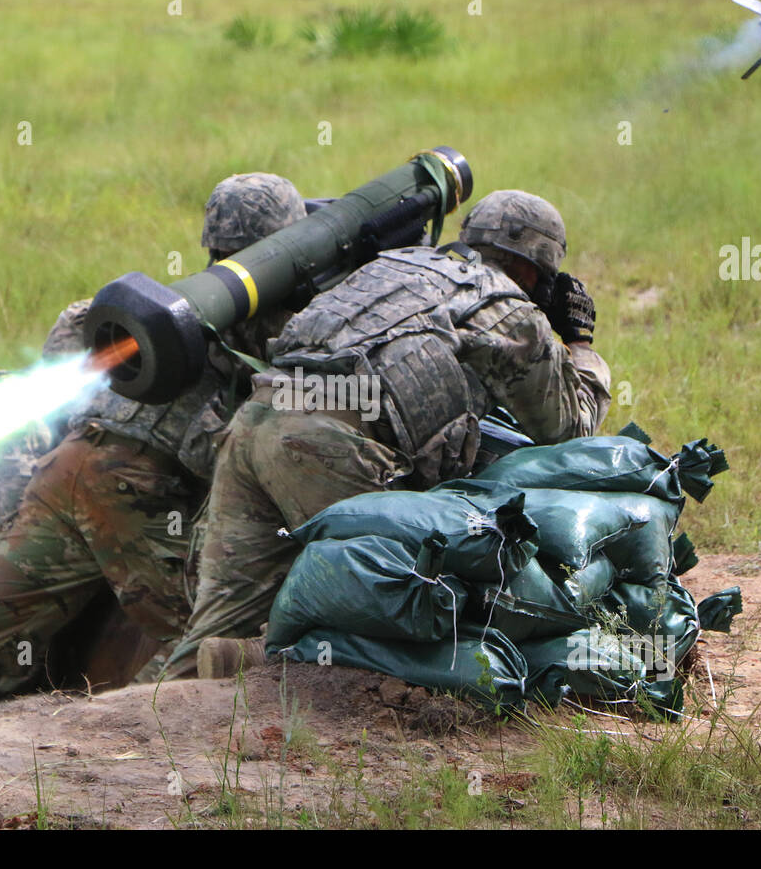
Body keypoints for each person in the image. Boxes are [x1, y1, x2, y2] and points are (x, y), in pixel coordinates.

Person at [0, 173, 308, 714]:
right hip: (133, 491)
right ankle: (115, 733)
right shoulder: (273, 325)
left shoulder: (175, 305)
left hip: (66, 470)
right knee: (208, 634)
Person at [167, 190, 613, 678]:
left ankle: (146, 729)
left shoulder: (396, 264)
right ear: (536, 270)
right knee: (410, 602)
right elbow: (570, 425)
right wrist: (578, 342)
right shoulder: (508, 312)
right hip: (330, 447)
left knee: (221, 618)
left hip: (258, 418)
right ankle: (260, 661)